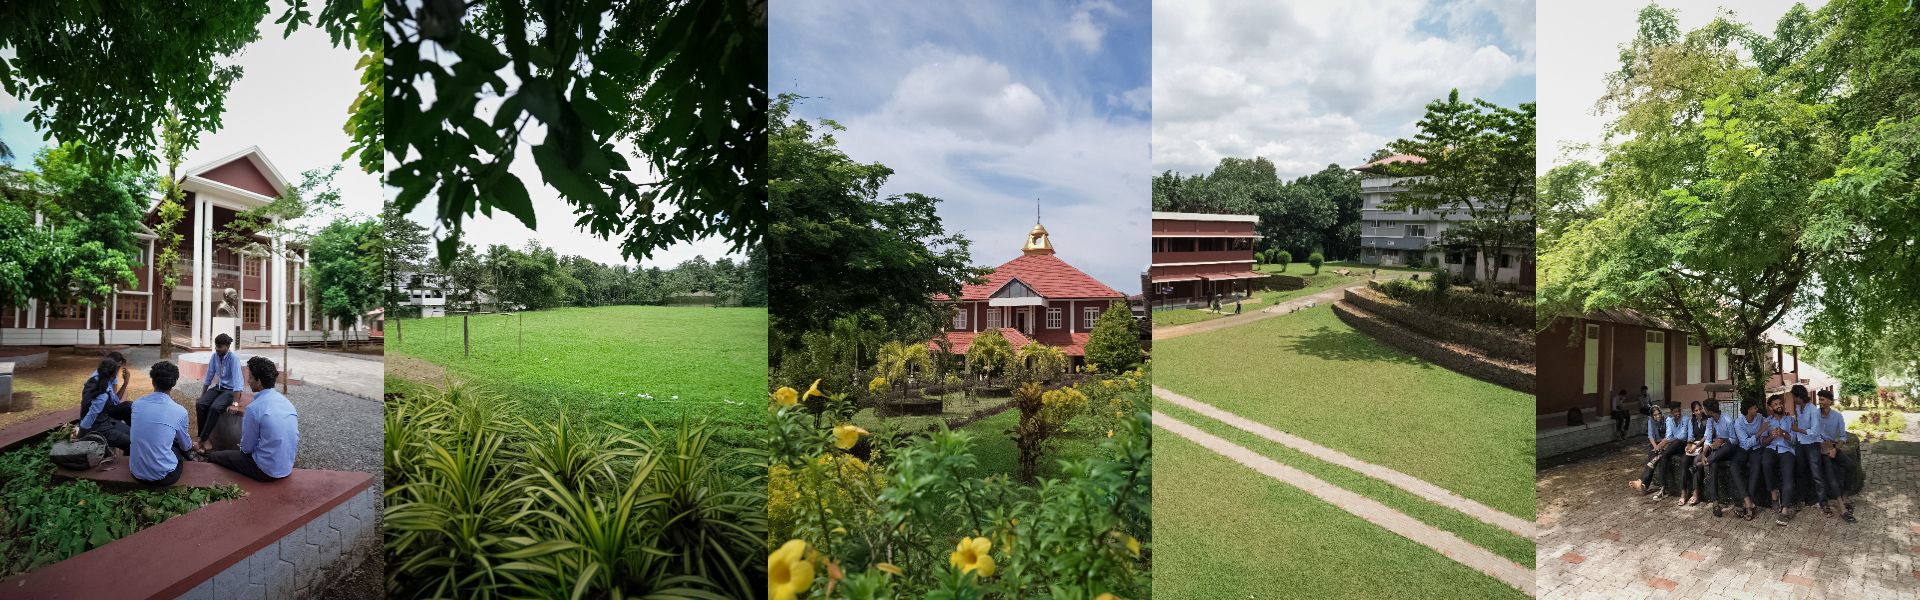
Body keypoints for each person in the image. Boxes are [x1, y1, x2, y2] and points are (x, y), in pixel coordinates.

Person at [208, 356, 298, 482]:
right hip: (286, 467)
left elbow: (246, 449)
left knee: (217, 456)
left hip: (264, 471)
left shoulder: (255, 408)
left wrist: (244, 447)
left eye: (250, 377)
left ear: (259, 381)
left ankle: (206, 462)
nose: (248, 381)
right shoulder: (287, 403)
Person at [128, 362, 193, 487]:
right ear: (174, 384)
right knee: (177, 450)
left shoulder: (137, 404)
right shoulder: (180, 411)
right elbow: (185, 446)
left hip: (136, 472)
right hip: (163, 478)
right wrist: (191, 444)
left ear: (153, 382)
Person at [1811, 389, 1856, 523]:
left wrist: (1835, 449)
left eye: (1823, 400)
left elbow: (1843, 437)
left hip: (1832, 447)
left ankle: (1845, 495)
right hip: (1819, 448)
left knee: (1851, 466)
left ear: (1830, 402)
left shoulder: (1837, 417)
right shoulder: (1815, 415)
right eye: (1819, 400)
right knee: (1830, 475)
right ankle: (1842, 507)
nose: (1820, 402)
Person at [195, 334, 245, 453]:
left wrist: (235, 403)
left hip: (230, 390)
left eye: (220, 346)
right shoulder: (215, 357)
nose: (217, 349)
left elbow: (238, 382)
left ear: (227, 347)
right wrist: (203, 395)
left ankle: (202, 439)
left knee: (215, 407)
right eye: (216, 346)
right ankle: (205, 439)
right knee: (201, 404)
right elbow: (209, 376)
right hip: (218, 387)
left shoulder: (234, 359)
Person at [1629, 403, 1688, 496]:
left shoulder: (1667, 420)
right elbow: (1650, 436)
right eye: (1655, 415)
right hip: (1656, 443)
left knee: (1654, 457)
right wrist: (1655, 446)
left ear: (1661, 413)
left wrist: (1660, 445)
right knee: (1652, 455)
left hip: (1666, 443)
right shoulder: (1650, 421)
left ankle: (1642, 482)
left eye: (1658, 414)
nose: (1657, 416)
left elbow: (1669, 435)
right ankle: (1643, 484)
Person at [1757, 394, 1798, 526]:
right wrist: (1771, 436)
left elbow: (1794, 439)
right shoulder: (1767, 422)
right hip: (1772, 448)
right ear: (1770, 407)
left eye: (1780, 403)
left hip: (1787, 450)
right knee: (1765, 463)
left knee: (1788, 473)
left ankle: (1785, 510)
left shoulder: (1790, 420)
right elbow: (1763, 442)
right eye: (1775, 404)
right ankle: (1774, 495)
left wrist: (1783, 433)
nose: (1779, 406)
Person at [1698, 402, 1745, 516]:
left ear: (1710, 411)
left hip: (1729, 450)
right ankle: (1715, 503)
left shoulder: (1728, 420)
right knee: (1713, 464)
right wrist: (1704, 454)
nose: (1704, 412)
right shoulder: (1710, 421)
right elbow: (1708, 440)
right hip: (1716, 453)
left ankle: (1703, 462)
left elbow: (1734, 440)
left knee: (1727, 446)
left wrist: (1722, 440)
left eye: (1705, 410)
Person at [77, 357, 132, 453]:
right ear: (113, 375)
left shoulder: (93, 381)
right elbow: (90, 417)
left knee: (134, 434)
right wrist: (80, 439)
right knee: (132, 442)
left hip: (106, 421)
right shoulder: (102, 395)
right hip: (98, 428)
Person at [1728, 402, 1766, 521]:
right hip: (1744, 449)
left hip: (1757, 449)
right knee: (1734, 467)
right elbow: (1745, 443)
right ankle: (1748, 501)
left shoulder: (1759, 417)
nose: (1757, 409)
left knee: (1756, 468)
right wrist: (1760, 432)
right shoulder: (1739, 422)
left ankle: (1747, 505)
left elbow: (1769, 422)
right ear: (1749, 411)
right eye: (1754, 407)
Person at [1678, 401, 1710, 506]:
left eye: (1700, 409)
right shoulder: (1692, 421)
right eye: (1696, 410)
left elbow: (1707, 436)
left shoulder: (1707, 420)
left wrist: (1696, 446)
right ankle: (1683, 493)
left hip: (1703, 446)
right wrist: (1689, 445)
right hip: (1694, 446)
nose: (1699, 412)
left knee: (1696, 462)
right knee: (1684, 461)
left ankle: (1695, 493)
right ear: (1692, 411)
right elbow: (1690, 436)